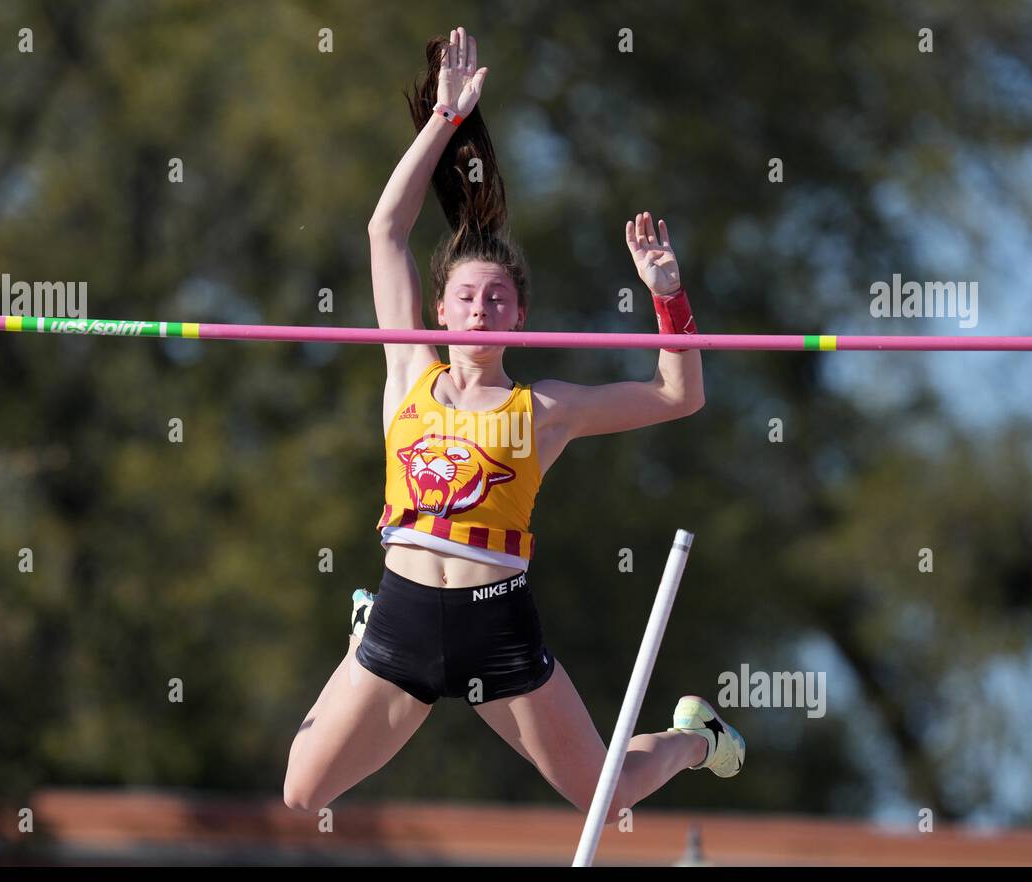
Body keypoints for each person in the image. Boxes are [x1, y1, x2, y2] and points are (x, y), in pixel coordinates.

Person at [284, 27, 744, 817]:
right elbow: (384, 231)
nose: (479, 308)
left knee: (608, 799)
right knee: (301, 791)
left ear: (520, 316)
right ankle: (361, 632)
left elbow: (679, 395)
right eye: (465, 297)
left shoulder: (547, 409)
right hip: (401, 616)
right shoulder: (407, 374)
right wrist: (443, 119)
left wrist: (668, 297)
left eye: (496, 298)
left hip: (495, 625)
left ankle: (697, 738)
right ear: (439, 311)